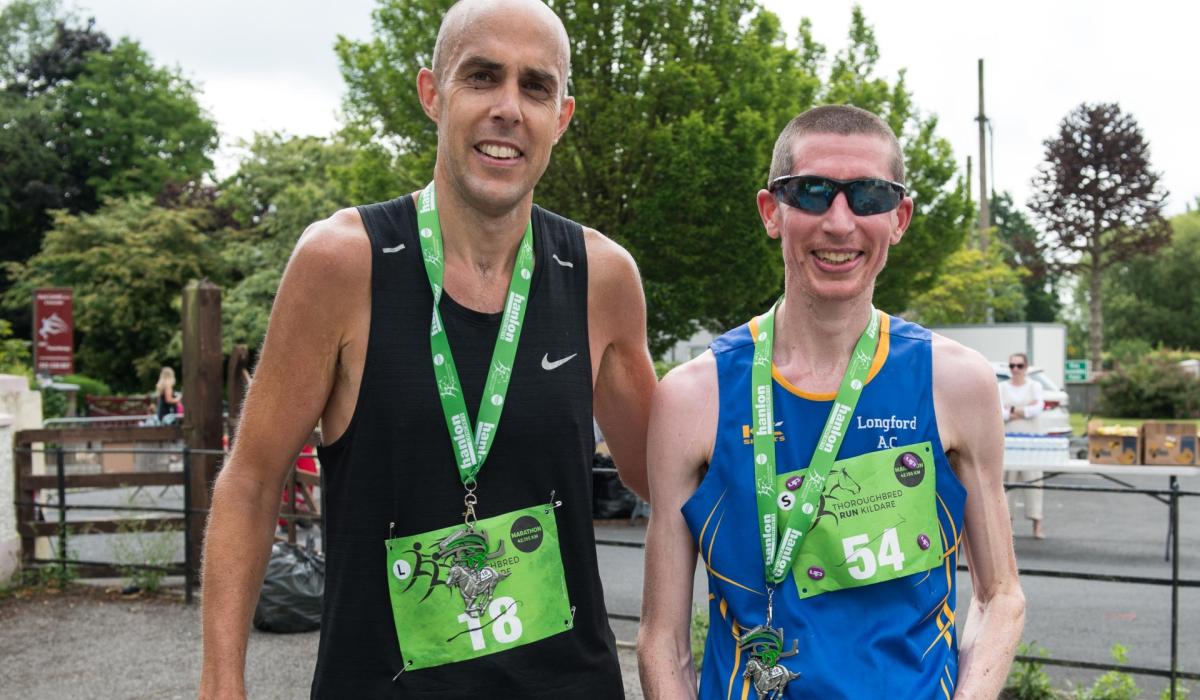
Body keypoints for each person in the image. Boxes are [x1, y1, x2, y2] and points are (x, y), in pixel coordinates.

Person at [198, 1, 656, 697]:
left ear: (561, 117)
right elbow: (251, 483)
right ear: (432, 94)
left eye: (535, 86)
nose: (508, 108)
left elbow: (668, 478)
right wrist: (220, 683)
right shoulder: (342, 263)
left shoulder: (601, 277)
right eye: (481, 77)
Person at [638, 105, 1025, 698]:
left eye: (868, 196)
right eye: (812, 193)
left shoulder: (957, 384)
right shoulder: (693, 396)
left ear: (899, 218)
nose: (840, 223)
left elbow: (1001, 598)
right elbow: (662, 640)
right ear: (773, 212)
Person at [1000, 352, 1046, 539]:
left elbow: (1037, 408)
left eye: (1019, 366)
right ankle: (1007, 526)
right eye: (1012, 366)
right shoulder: (1001, 387)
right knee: (1007, 484)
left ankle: (1037, 524)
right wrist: (1022, 410)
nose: (1015, 370)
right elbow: (998, 410)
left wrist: (1013, 410)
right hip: (1008, 441)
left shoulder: (1035, 386)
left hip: (1030, 441)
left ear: (1026, 368)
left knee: (1034, 482)